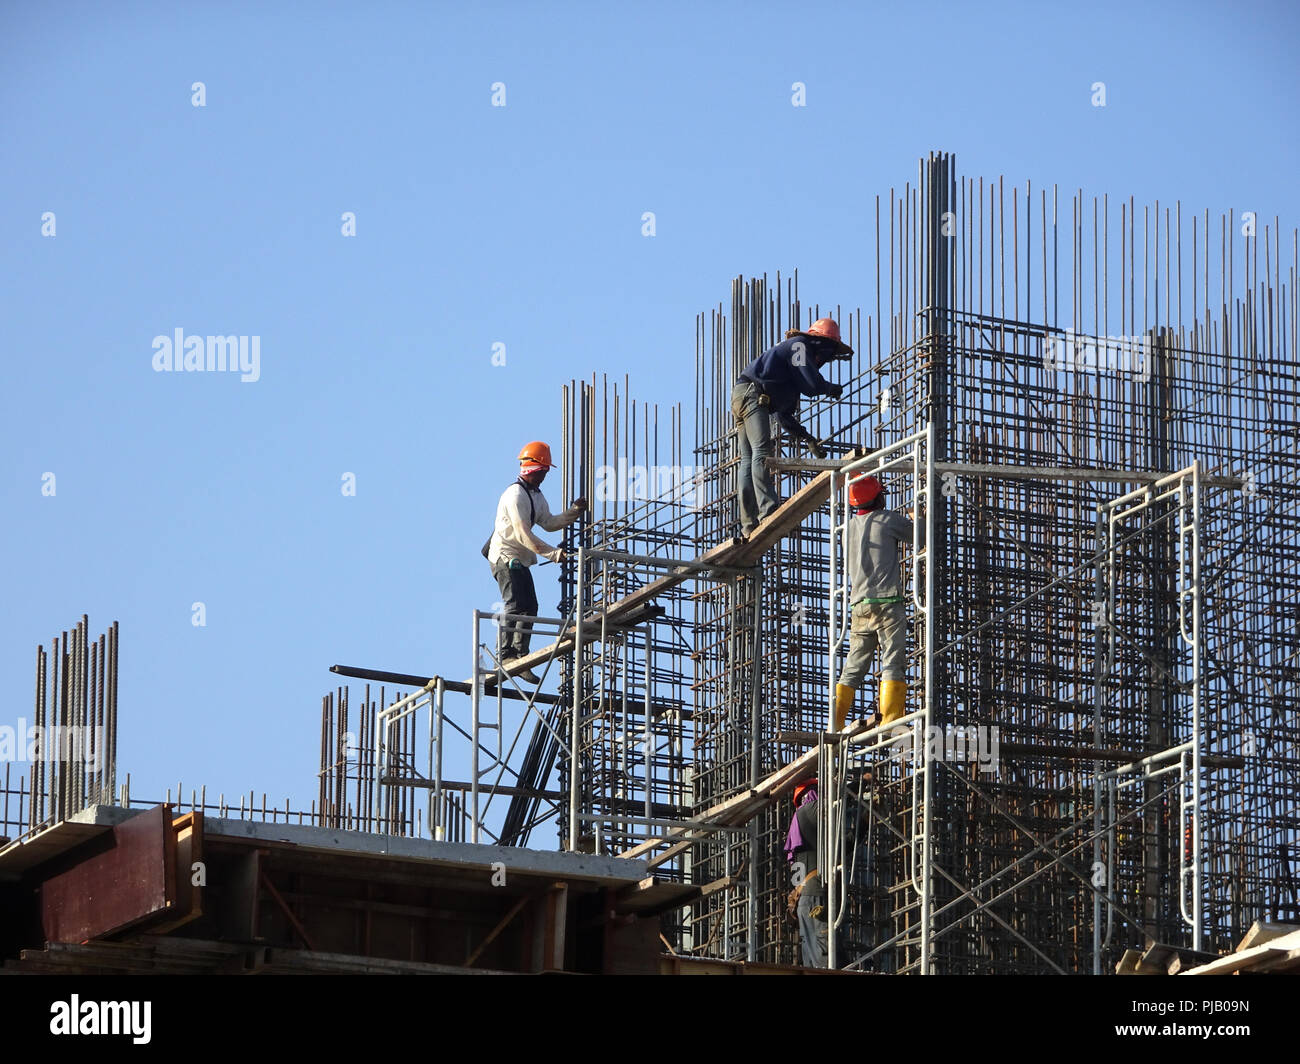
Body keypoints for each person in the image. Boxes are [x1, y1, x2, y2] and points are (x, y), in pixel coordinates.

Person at [731, 319, 852, 538]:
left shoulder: (788, 373)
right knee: (760, 453)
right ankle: (767, 509)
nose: (826, 359)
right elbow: (812, 386)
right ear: (821, 343)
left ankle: (748, 524)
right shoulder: (799, 345)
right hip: (752, 395)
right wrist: (829, 387)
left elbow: (782, 415)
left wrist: (806, 437)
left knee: (748, 461)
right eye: (829, 352)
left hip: (744, 395)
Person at [486, 441, 586, 684]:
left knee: (530, 606)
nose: (545, 475)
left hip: (519, 558)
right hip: (505, 557)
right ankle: (505, 655)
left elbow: (549, 523)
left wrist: (574, 512)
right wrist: (553, 554)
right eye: (542, 471)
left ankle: (520, 657)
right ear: (532, 468)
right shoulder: (515, 495)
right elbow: (523, 535)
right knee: (515, 603)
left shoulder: (536, 496)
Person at [834, 474, 915, 730]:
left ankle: (833, 723)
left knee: (853, 667)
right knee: (892, 660)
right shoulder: (887, 520)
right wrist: (917, 515)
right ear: (878, 497)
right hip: (887, 603)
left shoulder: (846, 529)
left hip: (859, 606)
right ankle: (891, 722)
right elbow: (922, 536)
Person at [785, 777, 828, 967]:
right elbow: (845, 843)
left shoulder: (797, 830)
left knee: (811, 961)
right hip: (814, 898)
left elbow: (796, 875)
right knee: (826, 959)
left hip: (803, 902)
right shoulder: (810, 811)